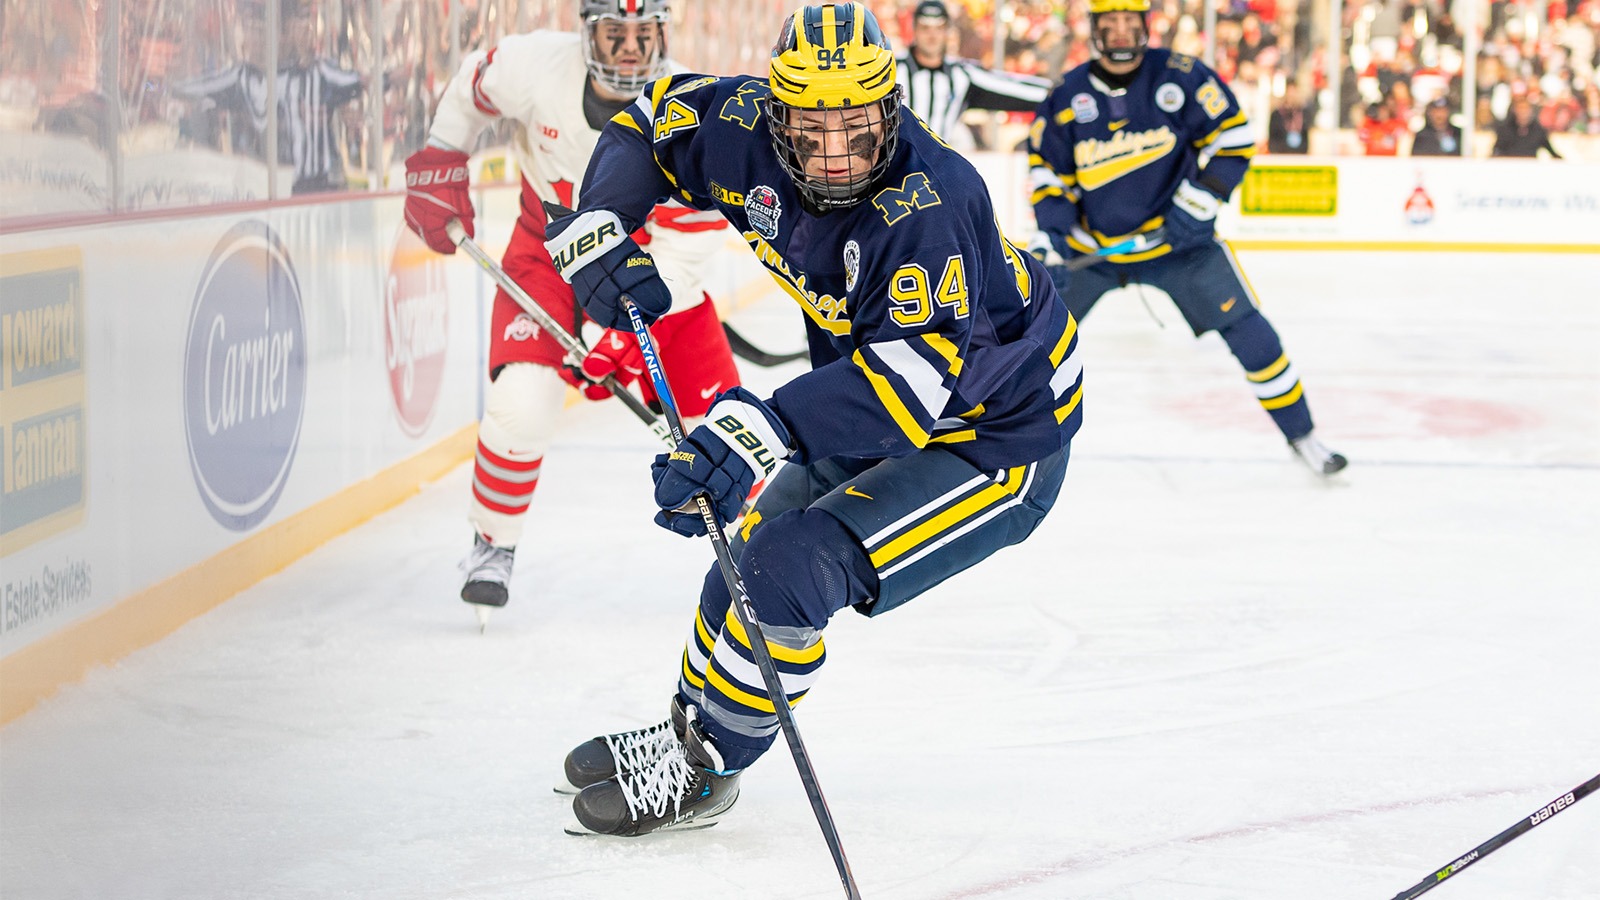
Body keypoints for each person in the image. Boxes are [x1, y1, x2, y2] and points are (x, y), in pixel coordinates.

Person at [541, 1, 1082, 835]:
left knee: (788, 570)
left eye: (857, 130)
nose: (834, 158)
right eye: (811, 131)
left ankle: (710, 766)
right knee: (745, 550)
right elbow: (644, 124)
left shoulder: (928, 204)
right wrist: (603, 218)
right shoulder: (737, 126)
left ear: (892, 114)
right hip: (877, 387)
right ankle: (690, 728)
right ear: (774, 113)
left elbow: (909, 386)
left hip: (1000, 432)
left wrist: (755, 426)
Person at [402, 0, 741, 613]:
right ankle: (491, 542)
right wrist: (441, 155)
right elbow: (474, 84)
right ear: (587, 35)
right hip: (546, 259)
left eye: (644, 34)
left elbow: (686, 252)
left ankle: (764, 551)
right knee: (522, 405)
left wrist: (620, 330)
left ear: (665, 34)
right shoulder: (535, 66)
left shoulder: (695, 109)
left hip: (651, 275)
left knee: (729, 427)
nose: (631, 50)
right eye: (615, 35)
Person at [1028, 0, 1346, 476]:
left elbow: (1234, 139)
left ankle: (1303, 435)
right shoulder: (1067, 93)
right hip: (1094, 251)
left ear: (1145, 25)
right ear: (1094, 29)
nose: (1119, 34)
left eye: (1128, 23)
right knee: (1024, 340)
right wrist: (1053, 236)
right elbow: (1046, 172)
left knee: (1250, 334)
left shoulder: (1182, 75)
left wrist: (1198, 203)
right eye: (1108, 24)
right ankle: (974, 442)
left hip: (1178, 246)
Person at [178, 1, 365, 195]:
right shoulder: (241, 77)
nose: (255, 38)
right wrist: (152, 85)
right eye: (251, 29)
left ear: (282, 36)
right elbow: (187, 88)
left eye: (260, 30)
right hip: (260, 188)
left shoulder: (320, 73)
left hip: (314, 190)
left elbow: (364, 82)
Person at [894, 0, 1053, 151]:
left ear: (948, 31)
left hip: (936, 169)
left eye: (939, 28)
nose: (932, 35)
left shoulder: (961, 74)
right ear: (914, 29)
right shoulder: (893, 69)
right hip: (891, 169)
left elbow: (1009, 86)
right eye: (925, 28)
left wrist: (1060, 91)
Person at [1493, 94, 1563, 158]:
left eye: (1525, 108)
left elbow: (1551, 151)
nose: (1523, 112)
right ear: (1514, 110)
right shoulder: (1505, 129)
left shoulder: (1538, 130)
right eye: (1520, 108)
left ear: (1531, 110)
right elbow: (1497, 150)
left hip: (1531, 167)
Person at [1265, 81, 1312, 154]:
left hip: (1300, 155)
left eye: (1294, 92)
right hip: (1281, 155)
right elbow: (1272, 138)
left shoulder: (1304, 113)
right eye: (1290, 91)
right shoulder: (1277, 114)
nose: (1292, 95)